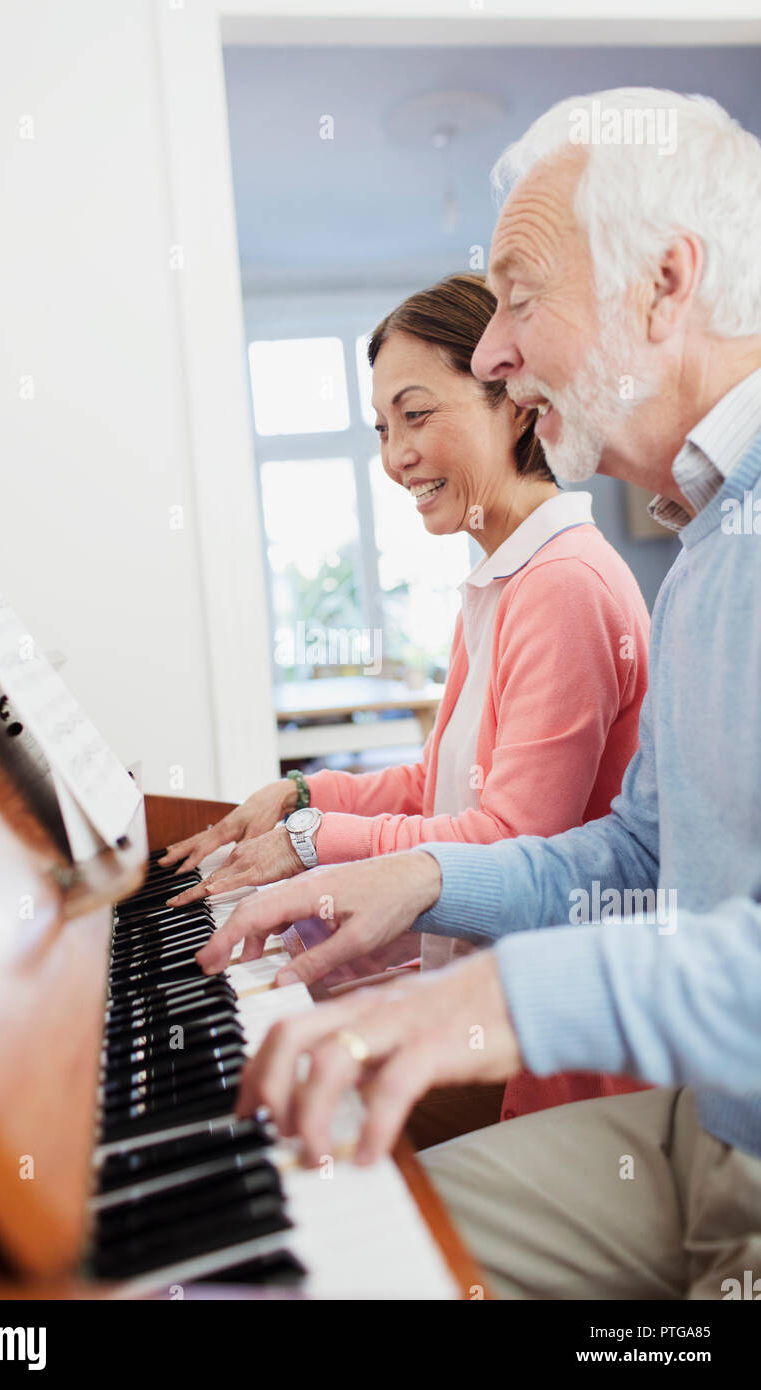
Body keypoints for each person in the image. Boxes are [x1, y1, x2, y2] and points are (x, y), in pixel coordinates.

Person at [205, 88, 761, 1300]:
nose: (498, 355)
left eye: (517, 295)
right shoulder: (708, 542)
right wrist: (415, 876)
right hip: (700, 1126)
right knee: (297, 1260)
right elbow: (635, 852)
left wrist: (494, 987)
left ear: (665, 283)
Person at [162, 274, 650, 1131]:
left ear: (516, 405)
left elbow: (510, 842)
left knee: (271, 1121)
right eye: (383, 430)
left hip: (547, 1060)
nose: (394, 459)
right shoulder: (505, 579)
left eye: (417, 416)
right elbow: (441, 786)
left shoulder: (564, 584)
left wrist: (313, 844)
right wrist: (304, 797)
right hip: (487, 1003)